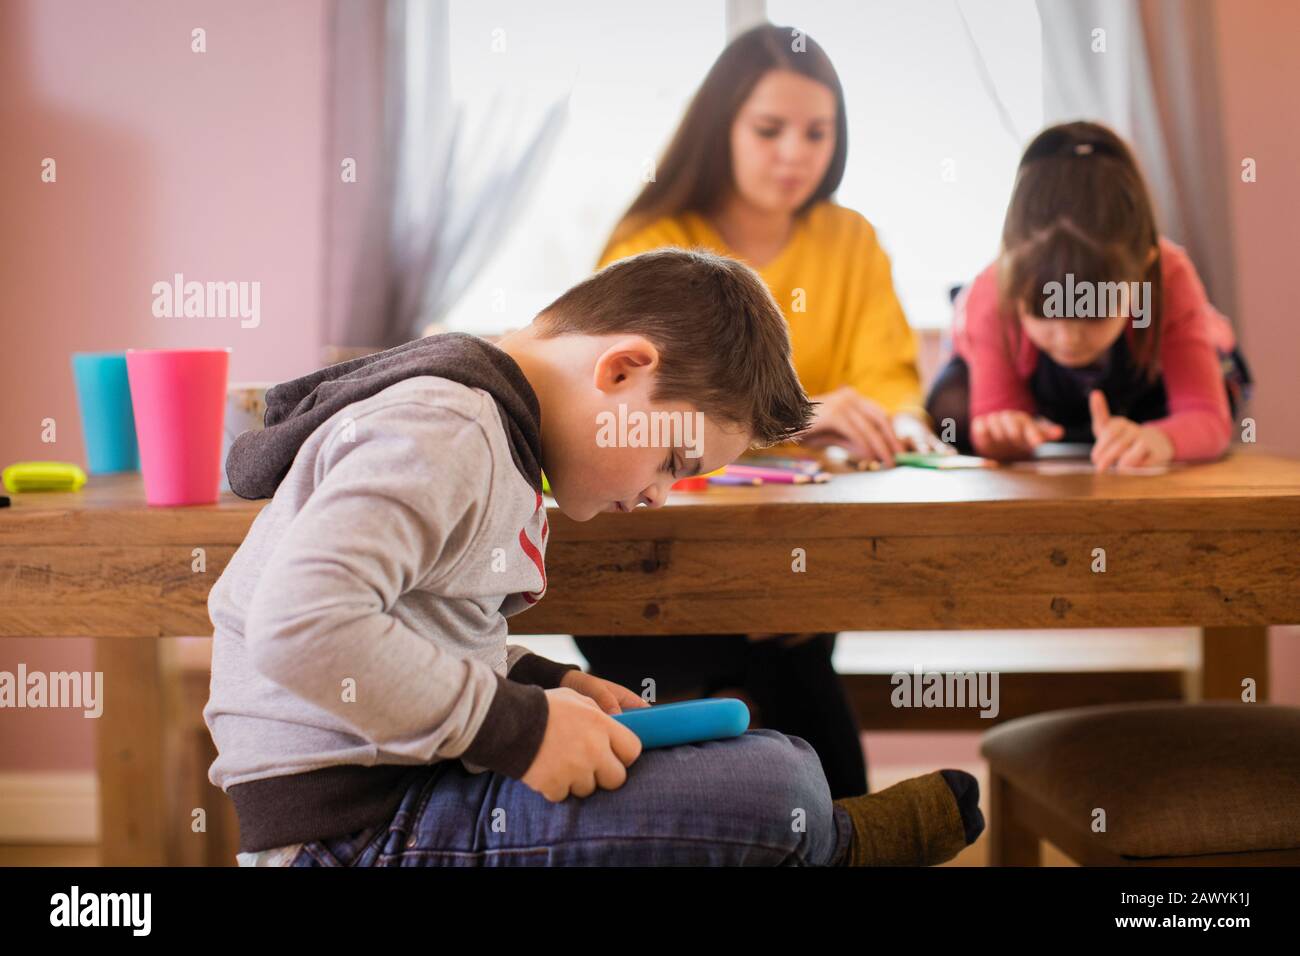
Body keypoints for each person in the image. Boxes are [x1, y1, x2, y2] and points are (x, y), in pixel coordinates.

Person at [206, 248, 984, 866]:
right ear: (621, 370)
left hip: (393, 794)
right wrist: (520, 730)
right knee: (777, 784)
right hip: (356, 833)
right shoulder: (449, 429)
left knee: (766, 755)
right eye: (673, 460)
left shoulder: (485, 428)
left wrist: (550, 684)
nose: (659, 496)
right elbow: (303, 624)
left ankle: (813, 836)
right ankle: (831, 847)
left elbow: (422, 631)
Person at [578, 24, 943, 799]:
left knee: (807, 727)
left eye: (817, 132)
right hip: (660, 559)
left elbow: (892, 383)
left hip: (798, 555)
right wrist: (799, 416)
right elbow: (638, 418)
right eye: (769, 129)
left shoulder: (852, 242)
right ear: (722, 131)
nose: (794, 153)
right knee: (765, 729)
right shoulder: (654, 243)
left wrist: (902, 426)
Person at [925, 120, 1251, 468]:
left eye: (1095, 311)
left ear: (1142, 270)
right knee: (951, 410)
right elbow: (996, 416)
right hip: (1048, 407)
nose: (1068, 338)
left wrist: (1163, 439)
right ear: (1012, 276)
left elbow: (1206, 416)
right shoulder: (991, 291)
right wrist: (1006, 435)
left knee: (1202, 415)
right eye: (1044, 311)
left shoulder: (1168, 276)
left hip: (1148, 396)